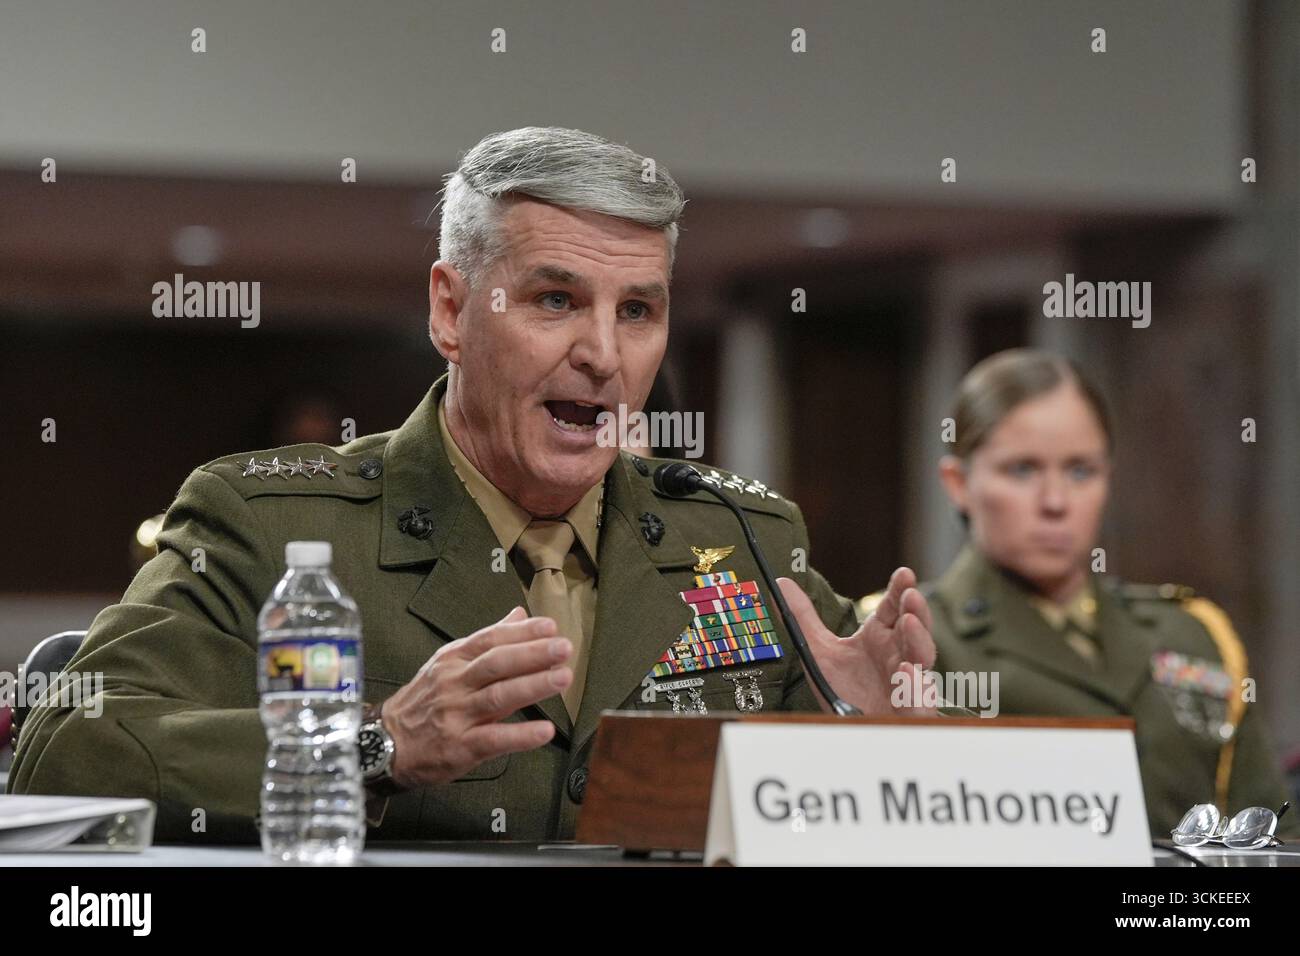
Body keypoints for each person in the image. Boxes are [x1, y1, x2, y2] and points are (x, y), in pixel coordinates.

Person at [9, 127, 936, 843]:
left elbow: (824, 823)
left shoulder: (743, 539)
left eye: (639, 311)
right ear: (451, 311)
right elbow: (66, 754)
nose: (603, 355)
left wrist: (855, 736)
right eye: (556, 300)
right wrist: (376, 746)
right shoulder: (268, 522)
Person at [859, 348, 1296, 839]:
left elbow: (1268, 832)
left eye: (1081, 470)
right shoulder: (908, 639)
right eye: (1022, 470)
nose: (1055, 502)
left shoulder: (1194, 633)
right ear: (959, 483)